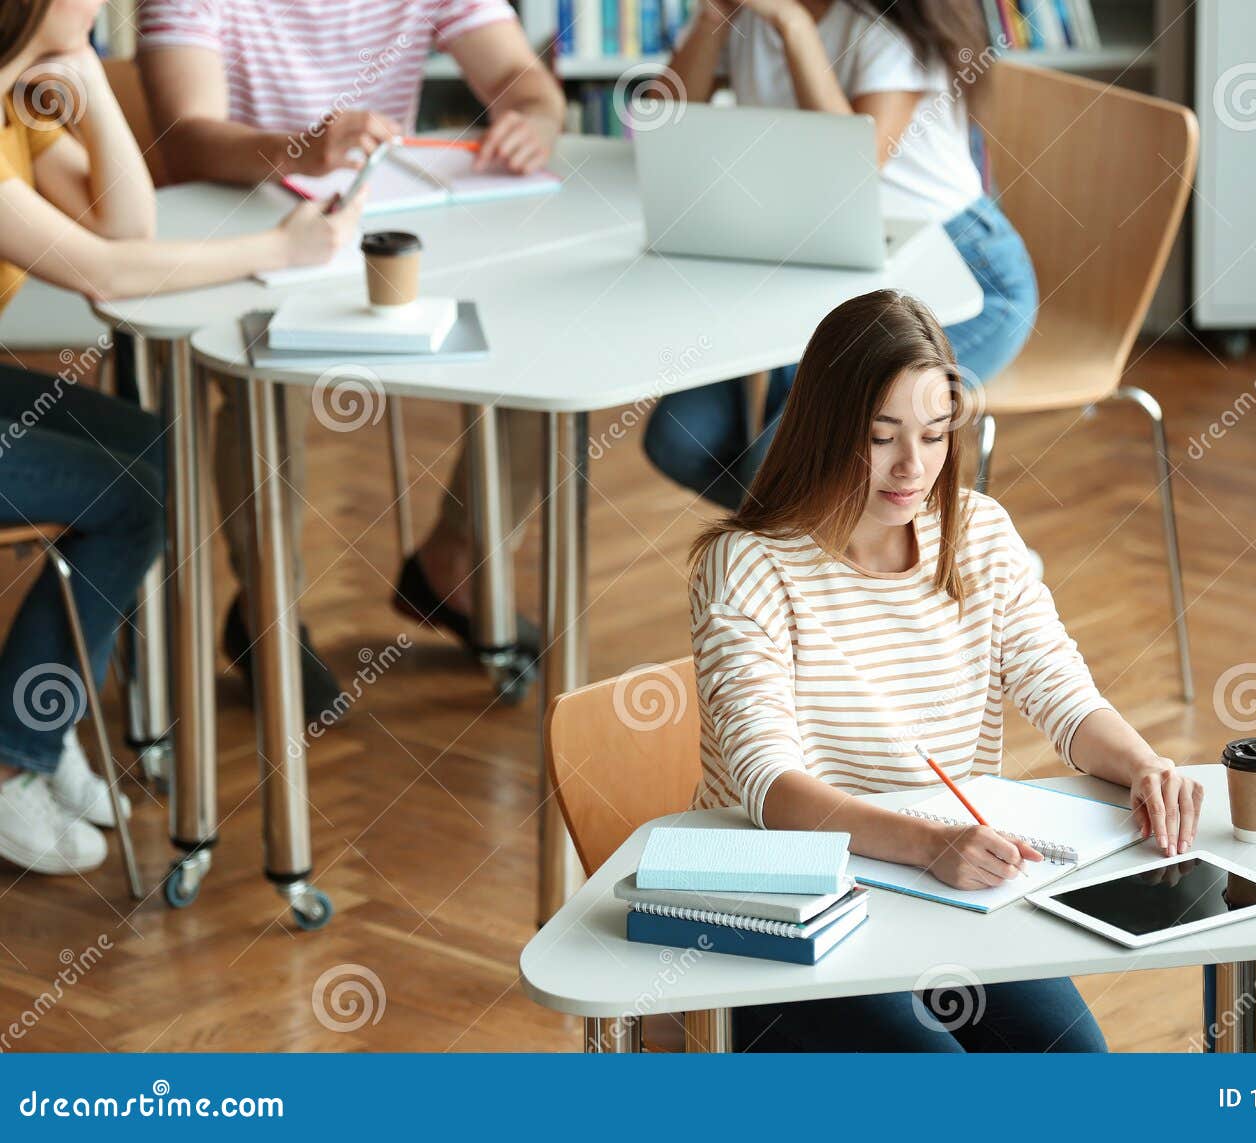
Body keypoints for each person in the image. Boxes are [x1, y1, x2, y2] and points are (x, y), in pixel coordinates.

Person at [687, 291, 1201, 1051]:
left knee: (1078, 1061)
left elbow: (1061, 695)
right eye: (881, 436)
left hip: (946, 896)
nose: (913, 467)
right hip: (791, 916)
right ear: (827, 429)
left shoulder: (980, 534)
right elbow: (770, 786)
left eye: (933, 435)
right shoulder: (748, 567)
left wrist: (1145, 765)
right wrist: (930, 844)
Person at [0, 0, 359, 872]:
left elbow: (127, 224)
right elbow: (107, 271)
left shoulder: (19, 100)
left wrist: (86, 77)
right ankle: (17, 756)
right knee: (135, 495)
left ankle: (42, 712)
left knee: (155, 449)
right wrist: (279, 246)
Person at [137, 0, 566, 718]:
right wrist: (299, 147)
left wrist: (536, 120)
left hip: (378, 222)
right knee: (257, 378)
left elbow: (528, 87)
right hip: (236, 236)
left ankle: (454, 562)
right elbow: (187, 142)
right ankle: (267, 613)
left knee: (541, 342)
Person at [647, 0, 1037, 510]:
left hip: (962, 280)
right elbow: (661, 125)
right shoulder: (743, 19)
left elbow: (849, 174)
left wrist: (793, 25)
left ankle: (879, 553)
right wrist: (710, 21)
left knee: (782, 468)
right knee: (681, 440)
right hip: (824, 271)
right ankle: (838, 538)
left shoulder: (889, 29)